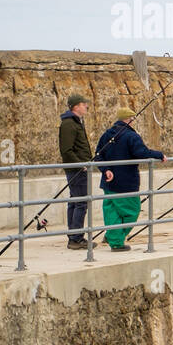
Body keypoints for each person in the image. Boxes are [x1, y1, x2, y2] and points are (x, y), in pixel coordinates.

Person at [95, 107, 165, 252]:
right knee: (132, 210)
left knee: (111, 210)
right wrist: (159, 155)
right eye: (133, 119)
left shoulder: (107, 134)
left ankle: (111, 235)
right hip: (126, 182)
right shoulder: (131, 136)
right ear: (129, 120)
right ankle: (116, 241)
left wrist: (106, 170)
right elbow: (142, 153)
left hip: (109, 182)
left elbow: (97, 155)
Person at [58, 93, 93, 249]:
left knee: (76, 201)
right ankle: (76, 238)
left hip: (80, 168)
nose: (86, 106)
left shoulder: (76, 122)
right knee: (80, 203)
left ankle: (74, 235)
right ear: (76, 106)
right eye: (84, 104)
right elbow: (66, 150)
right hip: (77, 170)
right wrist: (81, 165)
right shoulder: (69, 124)